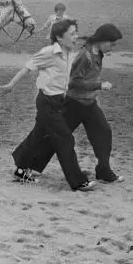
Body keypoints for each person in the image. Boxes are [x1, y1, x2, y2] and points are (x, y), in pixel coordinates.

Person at [0, 19, 97, 192]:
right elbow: (27, 68)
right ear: (59, 37)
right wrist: (11, 85)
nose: (76, 36)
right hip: (47, 102)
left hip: (61, 101)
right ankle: (78, 181)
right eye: (72, 33)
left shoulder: (72, 54)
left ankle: (21, 170)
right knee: (66, 139)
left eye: (76, 32)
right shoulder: (48, 52)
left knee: (38, 136)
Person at [31, 24, 125, 183]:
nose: (113, 48)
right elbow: (74, 83)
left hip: (89, 103)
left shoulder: (98, 53)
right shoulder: (85, 56)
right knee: (58, 137)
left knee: (104, 133)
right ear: (102, 40)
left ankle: (103, 171)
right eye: (112, 44)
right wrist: (99, 85)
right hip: (74, 104)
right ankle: (32, 166)